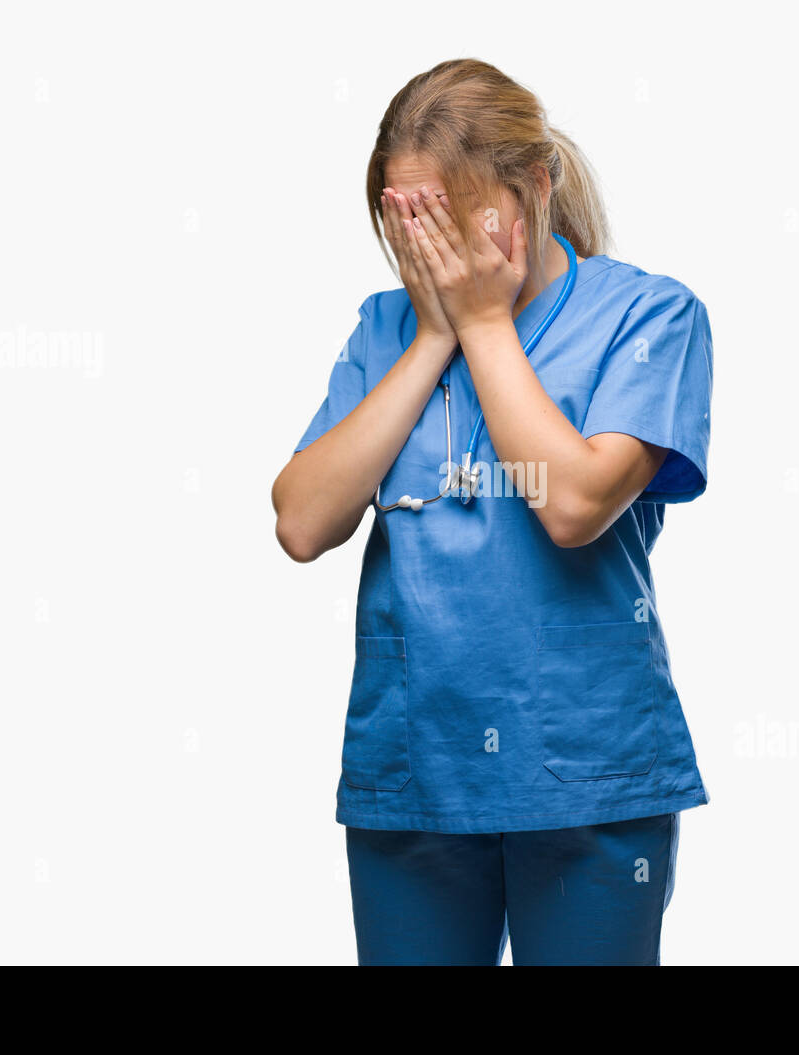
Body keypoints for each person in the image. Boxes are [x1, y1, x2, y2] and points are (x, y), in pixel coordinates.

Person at [271, 58, 714, 966]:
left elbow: (576, 504)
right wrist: (434, 334)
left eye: (453, 214)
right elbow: (302, 522)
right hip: (415, 771)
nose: (429, 244)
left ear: (535, 187)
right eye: (407, 219)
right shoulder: (382, 329)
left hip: (589, 776)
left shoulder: (649, 316)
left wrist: (482, 324)